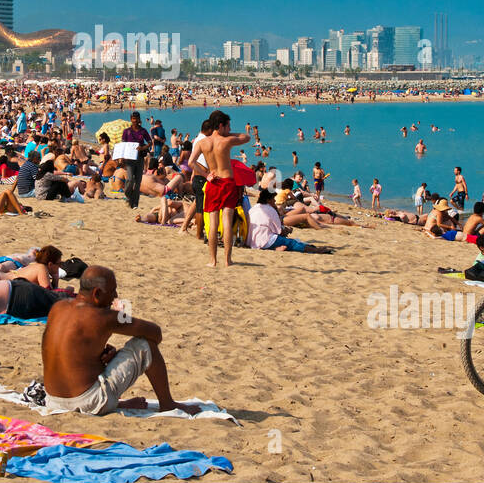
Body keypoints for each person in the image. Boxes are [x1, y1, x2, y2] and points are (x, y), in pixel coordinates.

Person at [40, 265, 199, 415]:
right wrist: (121, 313)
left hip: (53, 401)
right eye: (113, 291)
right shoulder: (103, 317)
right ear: (97, 294)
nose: (115, 296)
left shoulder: (58, 307)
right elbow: (155, 333)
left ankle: (115, 402)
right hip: (88, 401)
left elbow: (77, 351)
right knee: (145, 345)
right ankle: (167, 404)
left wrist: (102, 352)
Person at [191, 110, 250, 268]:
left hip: (213, 182)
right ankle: (227, 260)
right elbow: (247, 137)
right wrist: (228, 134)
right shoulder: (227, 141)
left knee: (213, 222)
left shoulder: (202, 142)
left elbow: (192, 162)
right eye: (228, 126)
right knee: (227, 220)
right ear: (221, 125)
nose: (230, 129)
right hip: (227, 182)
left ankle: (212, 260)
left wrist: (205, 174)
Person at [248, 189, 331, 253]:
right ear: (268, 200)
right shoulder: (270, 210)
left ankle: (276, 248)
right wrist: (287, 230)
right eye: (273, 199)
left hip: (251, 240)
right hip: (264, 240)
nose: (275, 201)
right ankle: (316, 250)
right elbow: (280, 231)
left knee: (283, 242)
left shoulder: (254, 208)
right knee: (293, 243)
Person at [119, 112, 150, 209]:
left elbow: (150, 142)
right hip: (129, 159)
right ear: (131, 119)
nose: (135, 120)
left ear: (139, 119)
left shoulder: (143, 131)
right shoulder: (126, 131)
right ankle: (128, 196)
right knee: (129, 179)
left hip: (140, 158)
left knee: (138, 182)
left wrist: (143, 147)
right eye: (133, 118)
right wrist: (121, 158)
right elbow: (123, 145)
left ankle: (135, 203)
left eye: (136, 118)